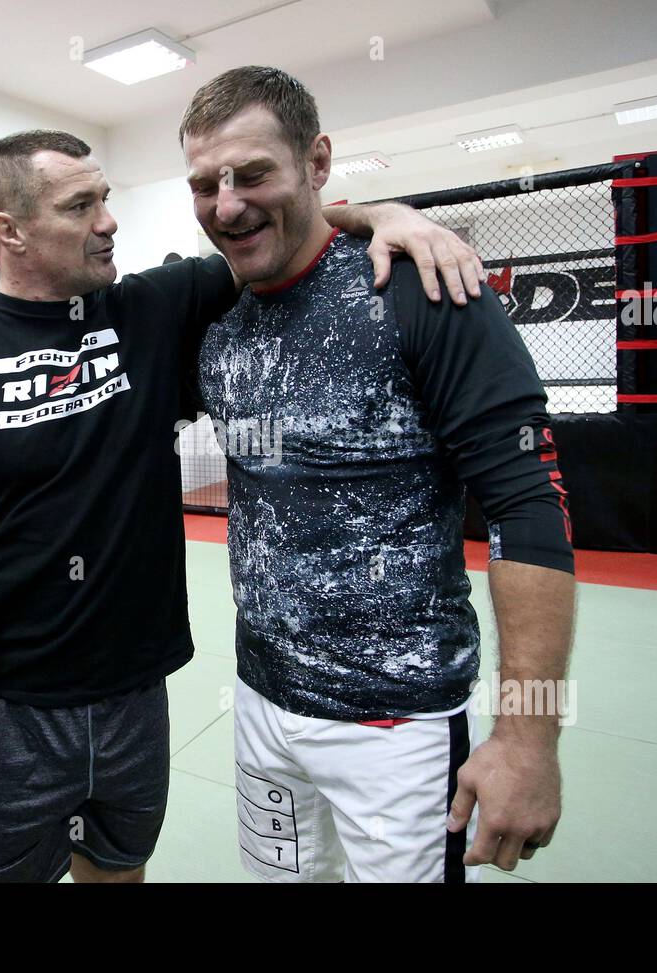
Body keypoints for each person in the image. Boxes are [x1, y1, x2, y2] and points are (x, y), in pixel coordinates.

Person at [0, 128, 482, 884]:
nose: (109, 220)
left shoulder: (155, 308)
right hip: (2, 721)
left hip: (136, 704)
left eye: (107, 198)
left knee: (121, 876)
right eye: (82, 204)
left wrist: (388, 215)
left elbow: (285, 234)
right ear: (10, 230)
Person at [180, 66, 577, 883]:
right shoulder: (212, 314)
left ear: (317, 162)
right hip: (261, 705)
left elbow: (527, 508)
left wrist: (529, 737)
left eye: (254, 174)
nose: (226, 204)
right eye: (205, 184)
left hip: (400, 726)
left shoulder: (428, 289)